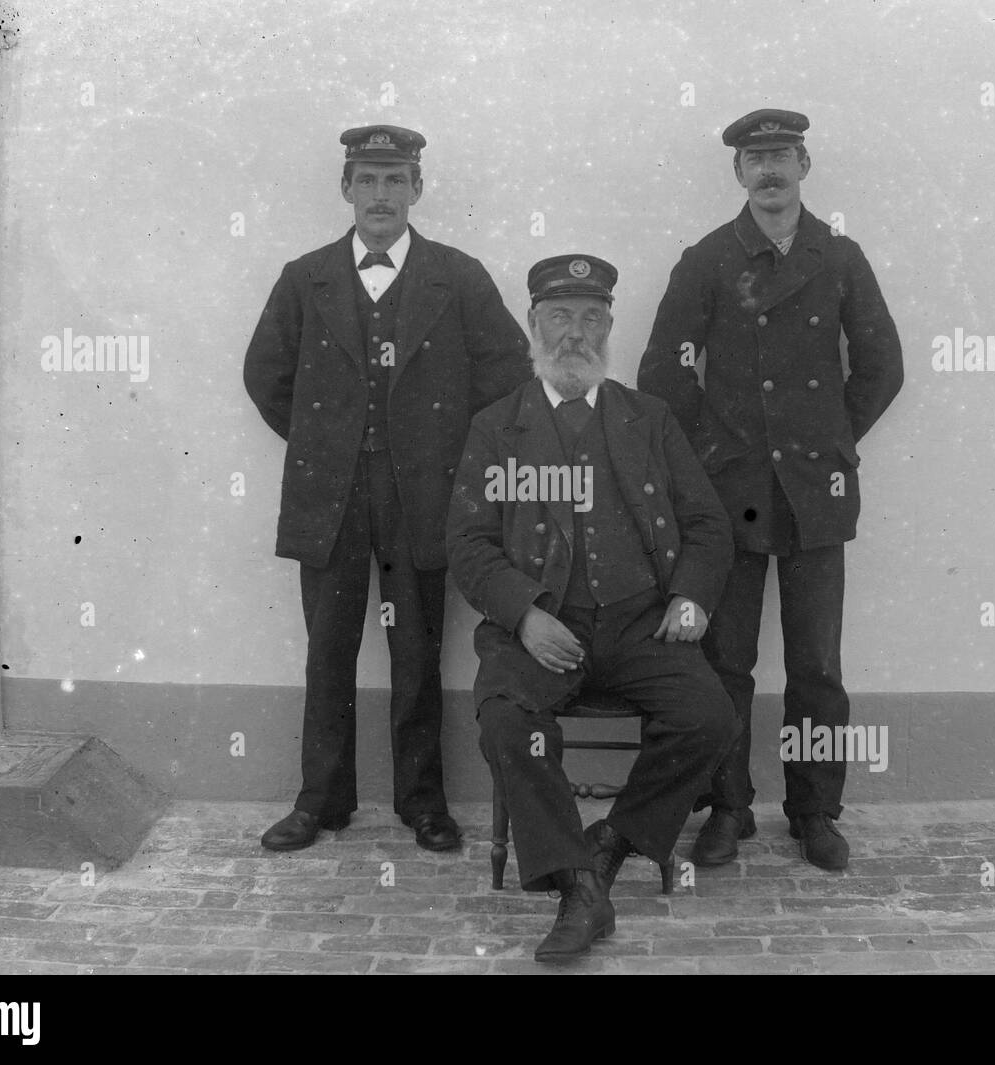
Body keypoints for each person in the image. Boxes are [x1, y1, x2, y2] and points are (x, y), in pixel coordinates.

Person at [243, 124, 530, 854]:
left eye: (395, 179)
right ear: (345, 188)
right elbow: (266, 377)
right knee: (327, 652)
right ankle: (322, 801)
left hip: (422, 500)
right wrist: (327, 446)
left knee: (417, 654)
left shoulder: (457, 278)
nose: (380, 195)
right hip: (331, 498)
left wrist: (453, 461)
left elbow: (507, 375)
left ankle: (423, 803)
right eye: (366, 180)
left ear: (417, 189)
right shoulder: (304, 279)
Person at [448, 254, 737, 962]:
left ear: (608, 326)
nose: (573, 334)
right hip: (541, 628)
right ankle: (580, 885)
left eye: (589, 318)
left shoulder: (650, 418)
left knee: (710, 718)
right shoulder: (497, 426)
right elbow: (468, 540)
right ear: (532, 325)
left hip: (641, 623)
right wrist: (524, 614)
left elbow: (708, 524)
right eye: (558, 318)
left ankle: (610, 841)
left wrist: (691, 598)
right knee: (509, 725)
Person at [637, 109, 904, 871]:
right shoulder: (709, 260)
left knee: (817, 663)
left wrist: (832, 441)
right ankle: (728, 807)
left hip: (816, 494)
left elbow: (882, 366)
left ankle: (814, 810)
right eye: (756, 158)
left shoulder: (840, 257)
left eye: (782, 155)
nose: (770, 171)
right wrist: (707, 456)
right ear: (738, 173)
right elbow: (664, 368)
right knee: (725, 660)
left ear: (805, 165)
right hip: (731, 496)